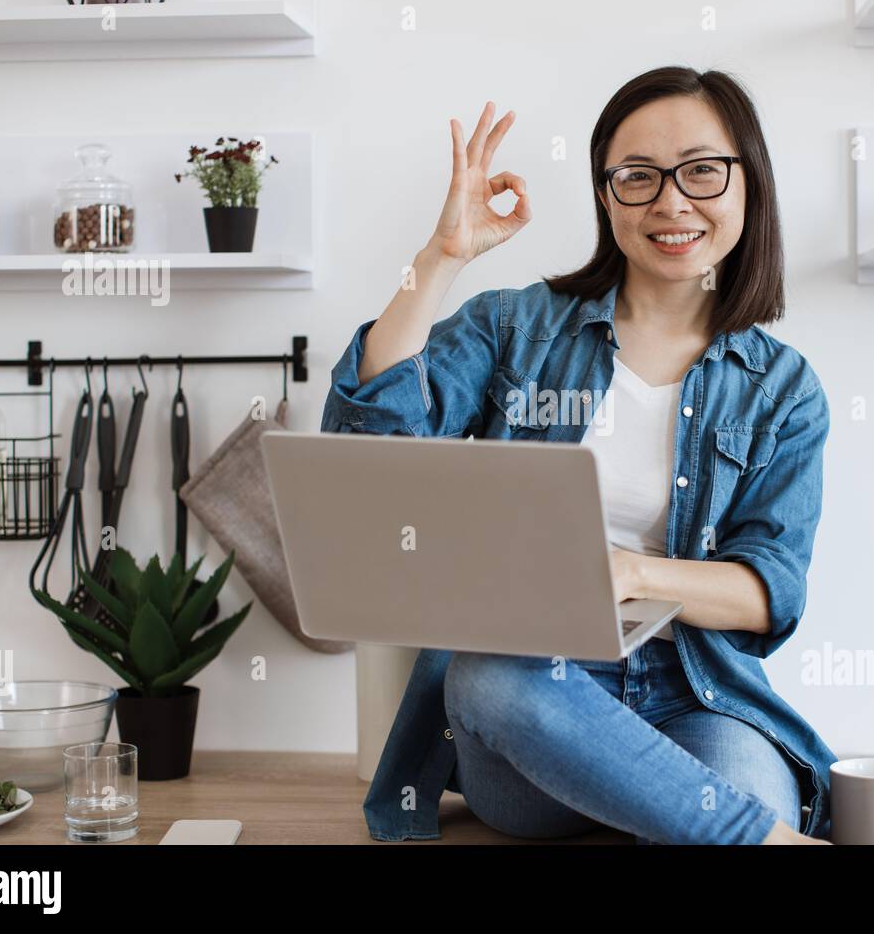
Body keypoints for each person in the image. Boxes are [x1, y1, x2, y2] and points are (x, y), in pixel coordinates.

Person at [323, 66, 835, 844]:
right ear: (606, 196)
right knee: (492, 675)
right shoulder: (515, 329)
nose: (671, 201)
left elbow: (771, 594)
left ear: (747, 185)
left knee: (742, 792)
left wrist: (633, 573)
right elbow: (373, 448)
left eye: (701, 170)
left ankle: (731, 829)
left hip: (695, 701)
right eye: (638, 177)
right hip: (531, 710)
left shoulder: (783, 388)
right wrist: (441, 257)